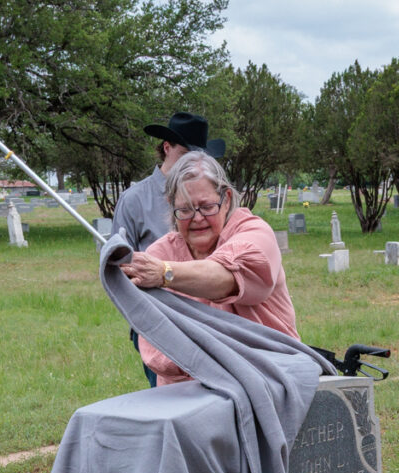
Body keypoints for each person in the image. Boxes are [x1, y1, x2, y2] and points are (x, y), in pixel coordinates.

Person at [119, 150, 300, 386]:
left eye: (206, 207)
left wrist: (164, 274)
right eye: (185, 210)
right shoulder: (161, 253)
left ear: (225, 199)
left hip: (269, 382)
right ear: (171, 205)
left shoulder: (254, 235)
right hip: (188, 396)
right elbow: (157, 351)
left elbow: (227, 277)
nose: (197, 218)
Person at [113, 112, 225, 385]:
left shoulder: (212, 194)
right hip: (158, 323)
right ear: (166, 147)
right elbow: (117, 269)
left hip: (212, 322)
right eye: (186, 153)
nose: (194, 162)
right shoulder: (134, 200)